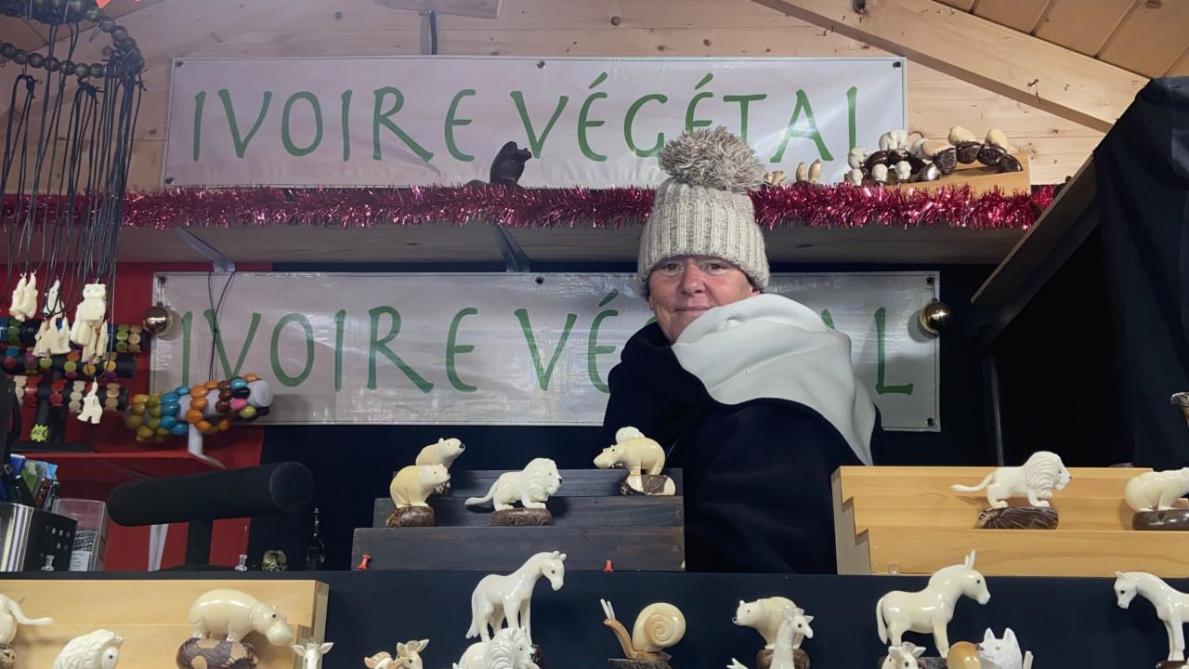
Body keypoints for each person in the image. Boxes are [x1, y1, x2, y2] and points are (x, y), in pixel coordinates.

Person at [602, 127, 880, 573]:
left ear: (751, 286)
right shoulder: (644, 379)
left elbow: (771, 557)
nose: (691, 283)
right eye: (670, 265)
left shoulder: (791, 388)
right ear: (648, 290)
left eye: (715, 265)